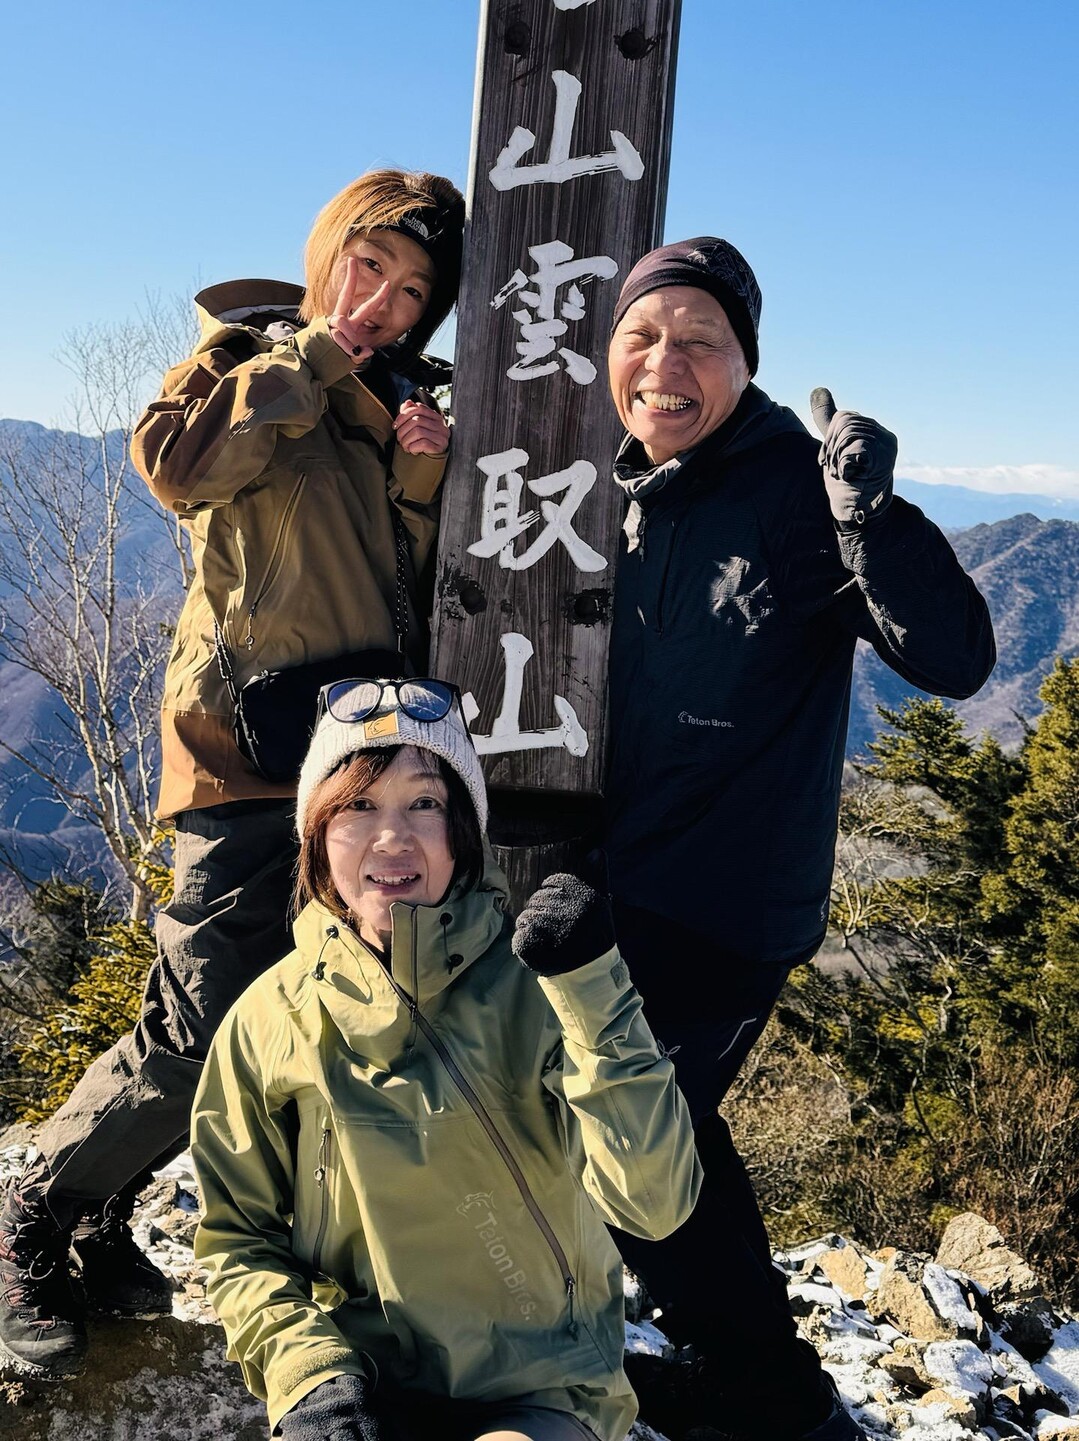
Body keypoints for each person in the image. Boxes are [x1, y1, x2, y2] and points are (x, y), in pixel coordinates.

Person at [0, 169, 465, 1378]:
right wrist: (308, 360)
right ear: (325, 257)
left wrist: (420, 476)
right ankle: (35, 1212)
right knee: (202, 1025)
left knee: (308, 1027)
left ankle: (95, 1218)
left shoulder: (395, 400)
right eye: (367, 267)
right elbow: (179, 469)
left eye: (413, 290)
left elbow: (407, 591)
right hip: (239, 754)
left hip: (354, 760)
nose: (384, 302)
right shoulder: (243, 359)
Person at [601, 238, 996, 1441]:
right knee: (632, 1132)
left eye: (699, 341)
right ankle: (725, 1373)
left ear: (744, 364)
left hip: (722, 899)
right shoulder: (600, 477)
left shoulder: (791, 486)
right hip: (606, 876)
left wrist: (867, 517)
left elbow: (954, 657)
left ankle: (770, 1399)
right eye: (641, 336)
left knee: (643, 1141)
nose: (666, 363)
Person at [190, 678, 702, 1441]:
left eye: (424, 803)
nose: (391, 837)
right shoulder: (269, 1018)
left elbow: (653, 1204)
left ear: (462, 829)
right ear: (316, 833)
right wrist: (309, 1375)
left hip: (540, 1388)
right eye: (358, 805)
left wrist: (595, 987)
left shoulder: (543, 985)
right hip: (358, 1387)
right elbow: (237, 1239)